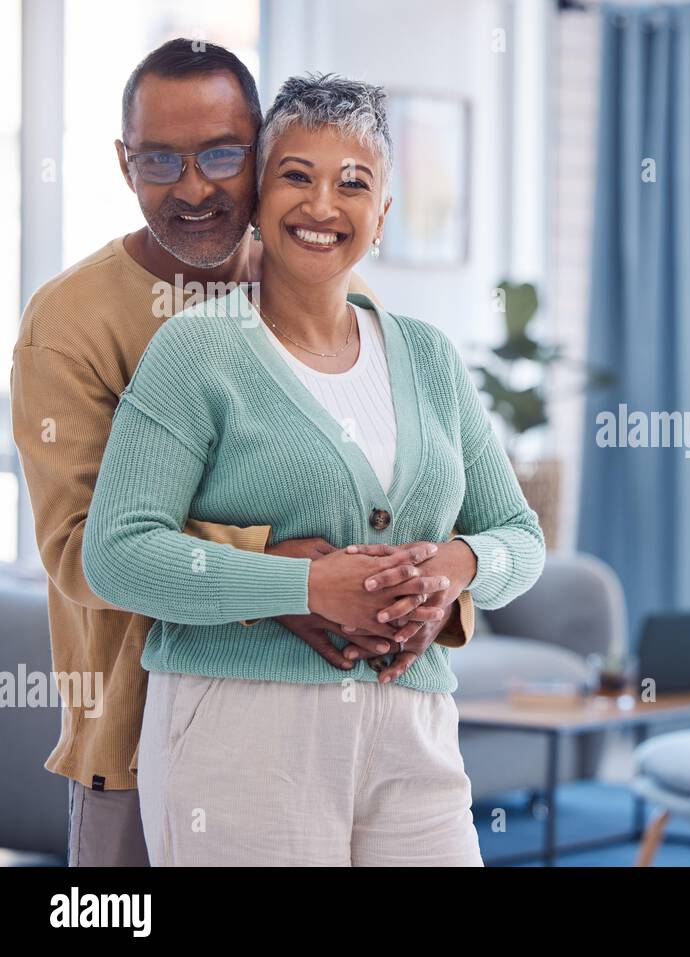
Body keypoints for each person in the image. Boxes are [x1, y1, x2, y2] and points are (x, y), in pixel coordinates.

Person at [9, 39, 475, 868]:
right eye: (161, 159)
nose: (193, 187)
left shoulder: (340, 292)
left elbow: (418, 499)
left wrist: (424, 588)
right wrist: (291, 580)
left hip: (346, 722)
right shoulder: (70, 323)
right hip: (136, 729)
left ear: (260, 156)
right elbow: (84, 550)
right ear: (126, 164)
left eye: (221, 154)